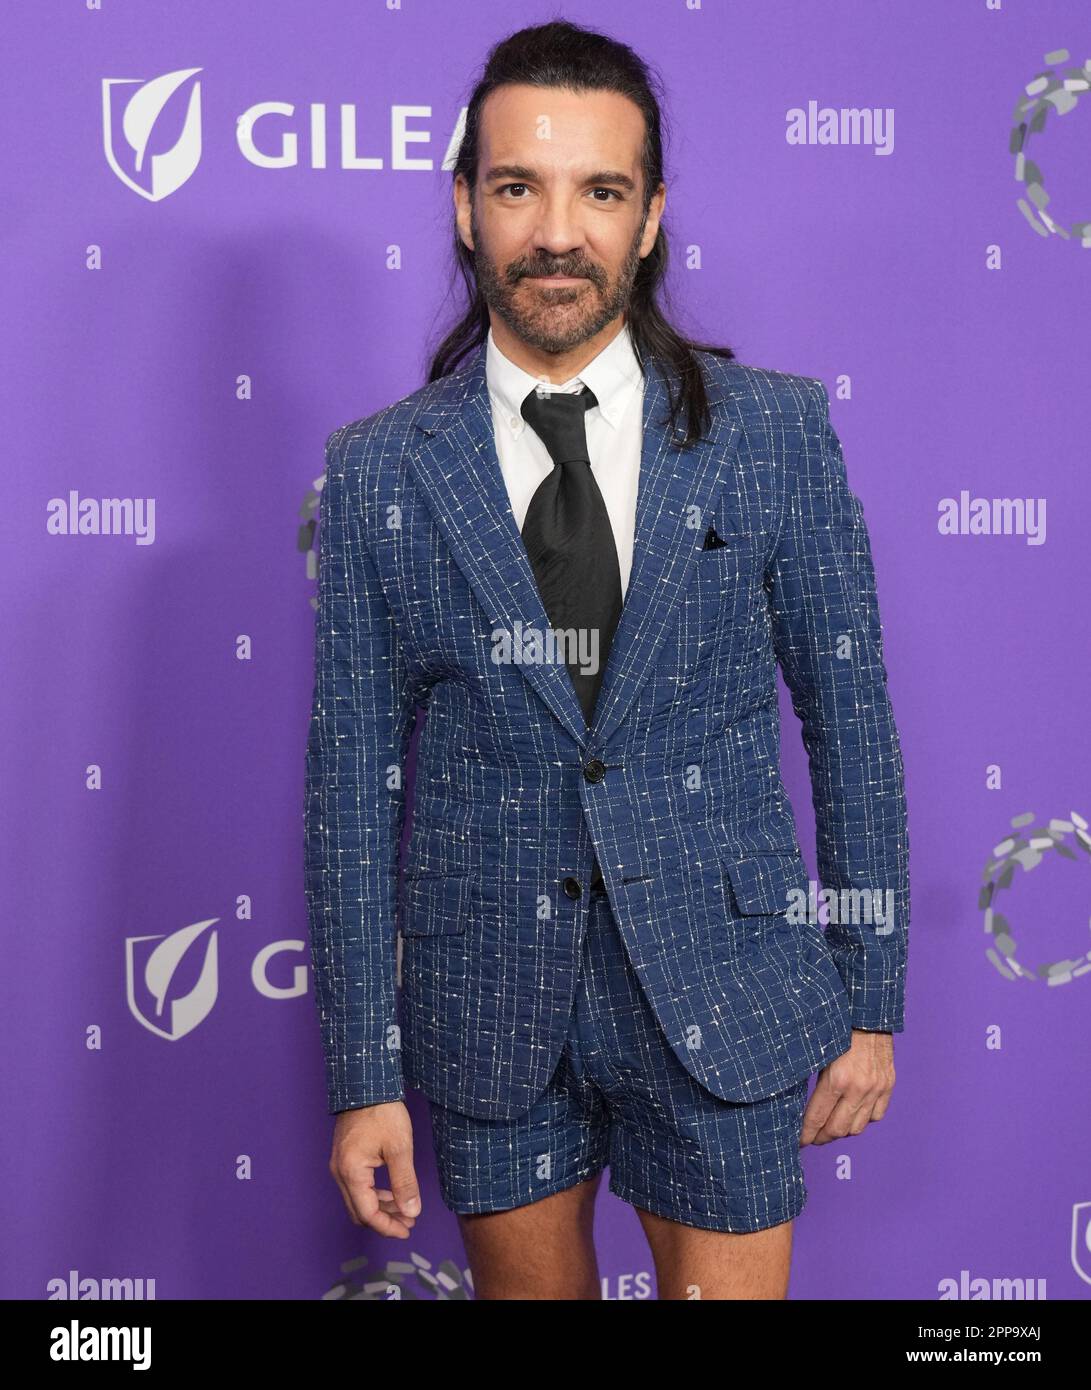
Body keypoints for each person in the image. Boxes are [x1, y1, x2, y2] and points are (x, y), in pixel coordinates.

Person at [304, 19, 909, 1301]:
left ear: (649, 219)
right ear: (465, 207)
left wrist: (871, 994)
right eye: (518, 186)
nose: (556, 233)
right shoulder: (378, 471)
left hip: (725, 995)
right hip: (488, 1012)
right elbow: (352, 786)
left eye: (600, 190)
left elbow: (848, 719)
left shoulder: (775, 435)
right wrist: (364, 1074)